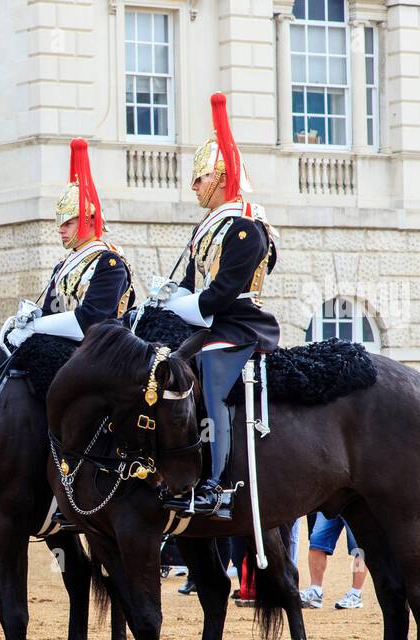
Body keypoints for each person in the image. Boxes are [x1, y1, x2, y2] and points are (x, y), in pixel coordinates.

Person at [158, 92, 279, 521]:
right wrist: (166, 298)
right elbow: (193, 286)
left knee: (210, 386)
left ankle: (218, 485)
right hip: (212, 324)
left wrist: (179, 301)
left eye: (199, 178)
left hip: (240, 325)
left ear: (221, 177)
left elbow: (220, 295)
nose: (193, 186)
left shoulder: (244, 228)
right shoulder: (209, 228)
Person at [1, 137, 131, 351]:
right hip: (65, 347)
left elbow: (90, 320)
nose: (60, 229)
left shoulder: (109, 262)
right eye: (60, 223)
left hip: (101, 351)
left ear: (88, 221)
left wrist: (36, 325)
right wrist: (27, 320)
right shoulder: (63, 265)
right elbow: (52, 311)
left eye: (68, 223)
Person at [298, 512, 368, 609]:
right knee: (317, 542)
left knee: (359, 547)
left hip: (356, 503)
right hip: (331, 501)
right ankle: (315, 591)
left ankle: (355, 594)